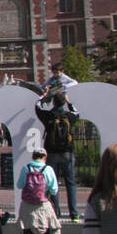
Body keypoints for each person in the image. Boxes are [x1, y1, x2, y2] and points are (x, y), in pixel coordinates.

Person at [37, 93, 81, 223]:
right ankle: (74, 214)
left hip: (51, 153)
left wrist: (44, 96)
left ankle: (56, 212)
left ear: (54, 103)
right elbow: (76, 112)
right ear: (63, 103)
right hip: (67, 153)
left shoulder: (49, 116)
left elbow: (37, 107)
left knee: (52, 183)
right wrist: (69, 102)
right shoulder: (69, 116)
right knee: (71, 183)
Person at [16, 148, 60, 234]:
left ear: (33, 156)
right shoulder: (48, 170)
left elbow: (20, 185)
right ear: (44, 157)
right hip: (42, 206)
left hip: (27, 207)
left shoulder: (26, 168)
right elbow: (54, 189)